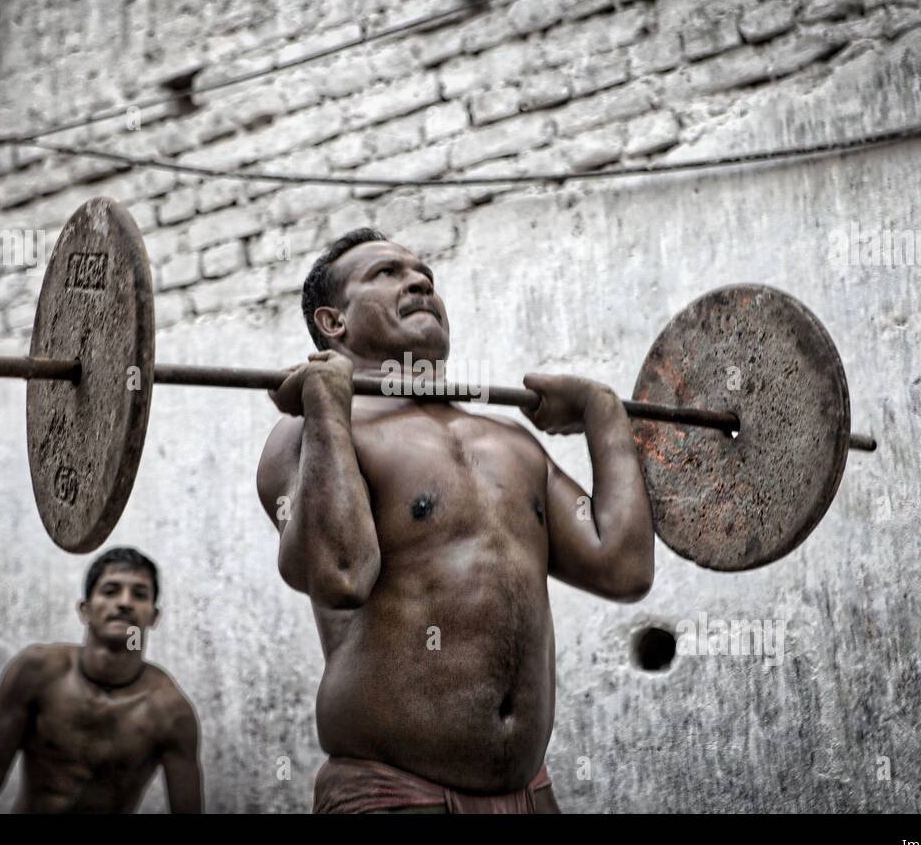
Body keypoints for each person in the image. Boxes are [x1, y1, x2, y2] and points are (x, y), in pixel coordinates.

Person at [256, 230, 655, 813]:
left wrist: (603, 414)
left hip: (530, 792)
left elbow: (623, 569)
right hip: (394, 792)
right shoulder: (310, 432)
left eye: (425, 275)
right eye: (386, 273)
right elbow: (339, 573)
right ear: (332, 322)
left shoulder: (511, 443)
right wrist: (324, 408)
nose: (419, 281)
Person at [0, 547, 202, 813]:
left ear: (154, 616)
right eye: (110, 591)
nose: (125, 603)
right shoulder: (36, 672)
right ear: (85, 610)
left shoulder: (170, 713)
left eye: (139, 594)